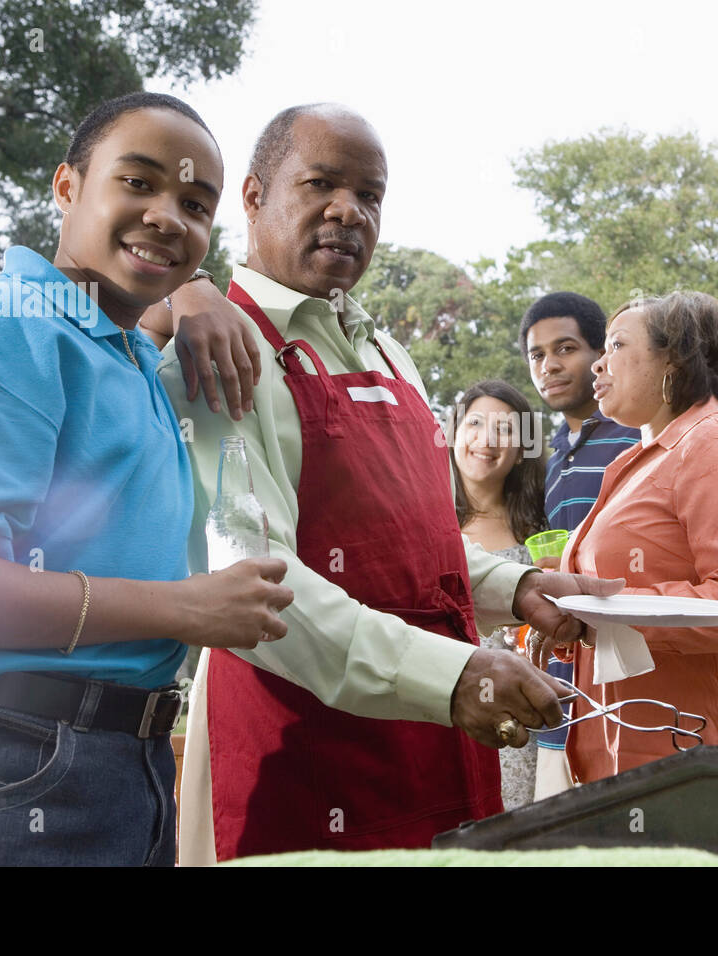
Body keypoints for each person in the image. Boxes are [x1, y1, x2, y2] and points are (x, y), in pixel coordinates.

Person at [141, 103, 622, 860]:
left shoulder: (389, 351)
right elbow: (256, 586)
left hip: (439, 750)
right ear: (255, 197)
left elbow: (411, 545)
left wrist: (517, 585)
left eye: (370, 194)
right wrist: (453, 675)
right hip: (307, 762)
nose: (348, 210)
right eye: (322, 183)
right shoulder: (220, 349)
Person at [0, 92, 294, 867]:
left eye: (195, 203)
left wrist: (193, 295)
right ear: (66, 187)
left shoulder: (120, 353)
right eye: (138, 183)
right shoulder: (5, 325)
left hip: (126, 764)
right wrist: (183, 608)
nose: (167, 216)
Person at [531, 291, 718, 782]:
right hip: (640, 747)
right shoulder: (641, 460)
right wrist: (564, 615)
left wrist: (605, 613)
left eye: (615, 346)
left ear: (673, 357)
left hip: (713, 751)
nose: (598, 365)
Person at [520, 292, 640, 798]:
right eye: (537, 355)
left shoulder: (637, 436)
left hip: (629, 684)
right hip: (561, 692)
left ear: (599, 354)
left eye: (565, 348)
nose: (550, 365)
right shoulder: (548, 459)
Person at [449, 379, 548, 810]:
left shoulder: (543, 527)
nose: (486, 440)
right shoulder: (428, 522)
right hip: (445, 710)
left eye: (505, 429)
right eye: (474, 424)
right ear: (453, 432)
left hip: (524, 726)